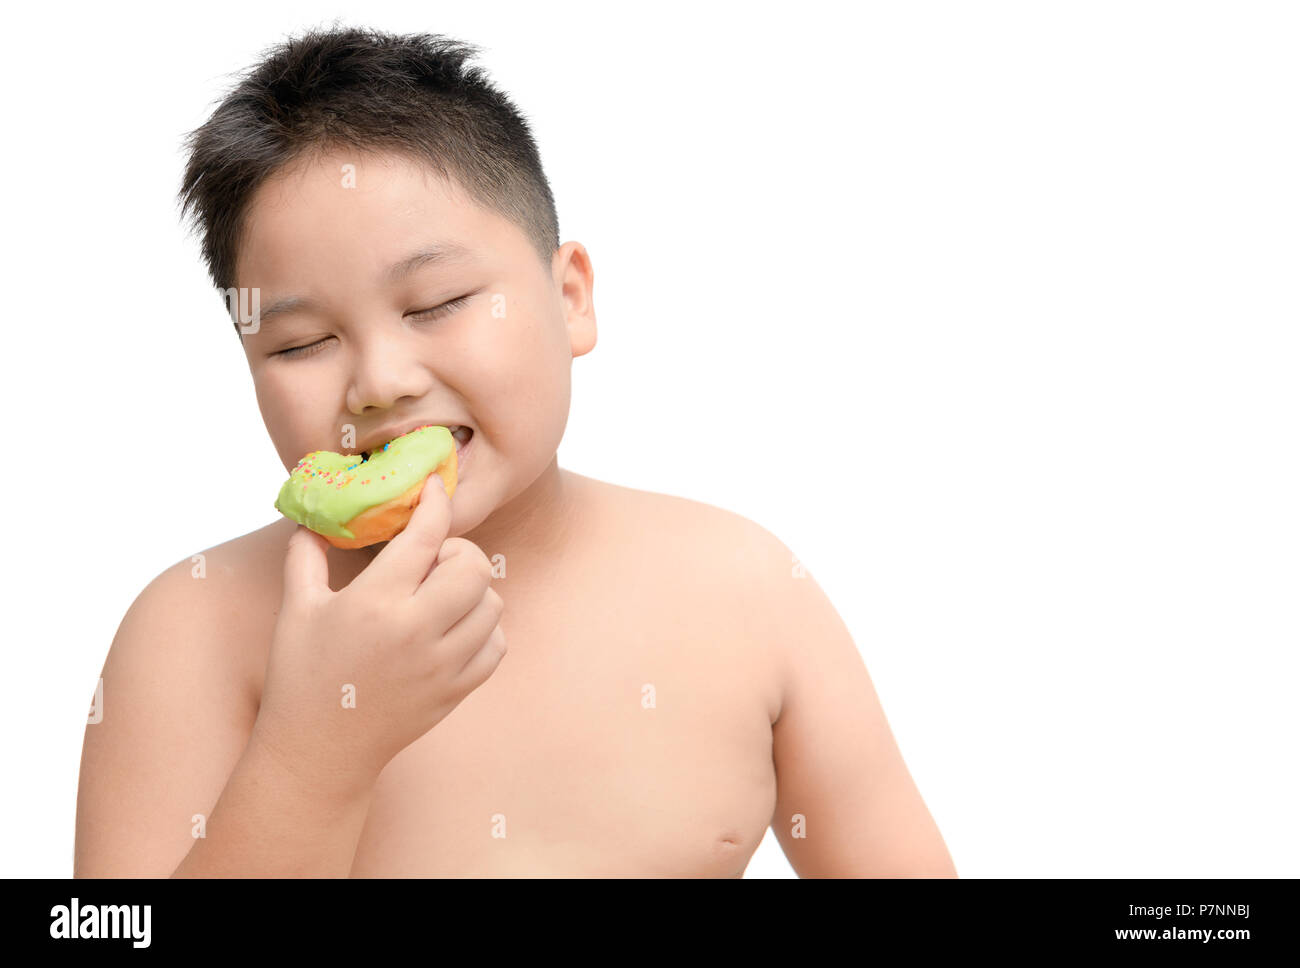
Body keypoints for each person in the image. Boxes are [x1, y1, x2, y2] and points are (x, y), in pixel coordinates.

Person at [74, 24, 956, 878]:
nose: (380, 381)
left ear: (570, 297)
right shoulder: (192, 632)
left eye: (437, 302)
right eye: (302, 344)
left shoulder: (748, 589)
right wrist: (314, 754)